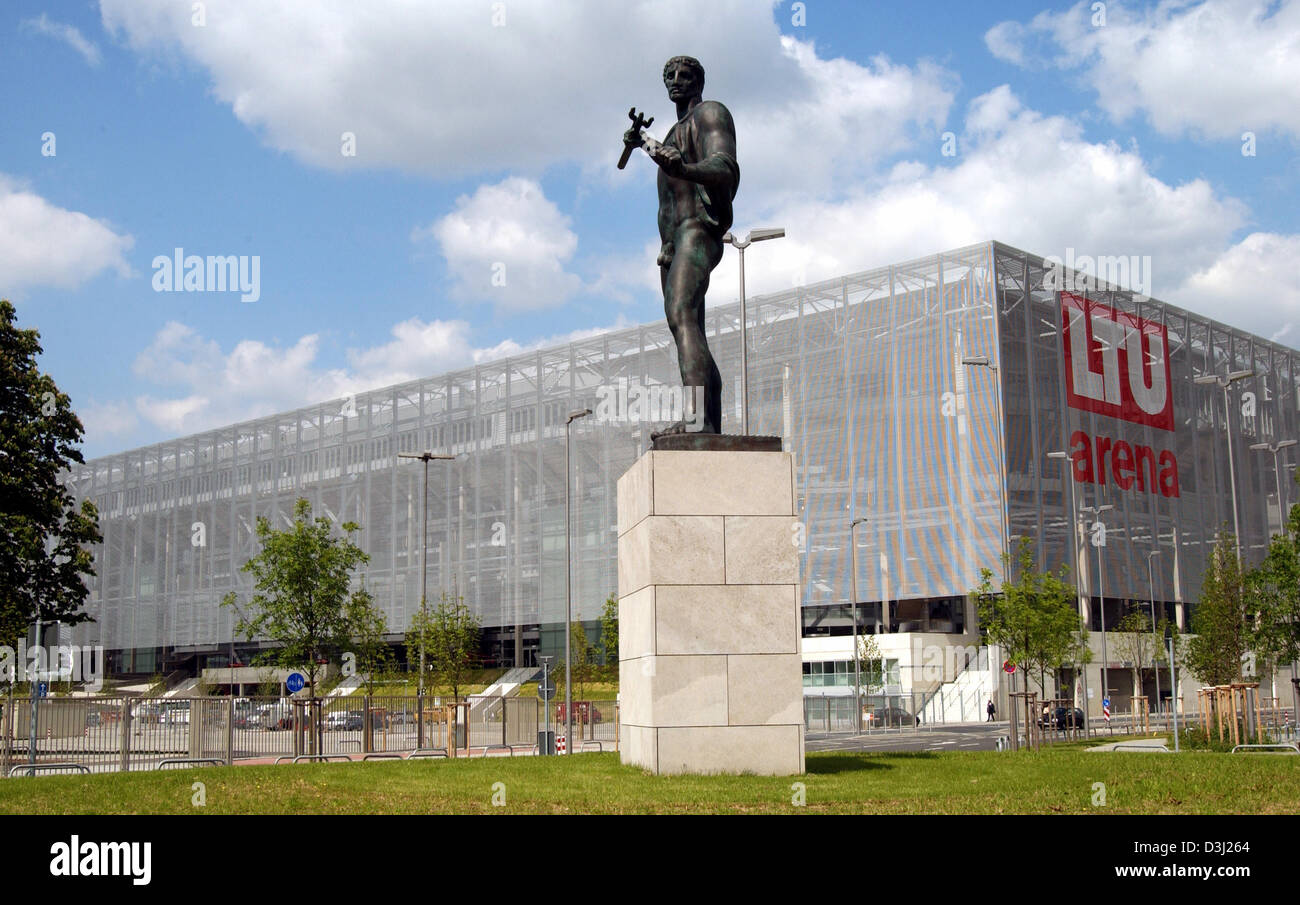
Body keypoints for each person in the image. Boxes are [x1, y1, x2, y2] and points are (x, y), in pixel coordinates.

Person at [624, 56, 739, 435]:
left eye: (684, 75)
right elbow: (668, 168)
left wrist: (686, 169)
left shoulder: (711, 113)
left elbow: (725, 166)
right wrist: (642, 142)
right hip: (671, 246)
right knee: (687, 327)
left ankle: (696, 422)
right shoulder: (673, 134)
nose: (676, 81)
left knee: (681, 313)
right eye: (669, 76)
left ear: (699, 81)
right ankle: (707, 421)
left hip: (697, 231)